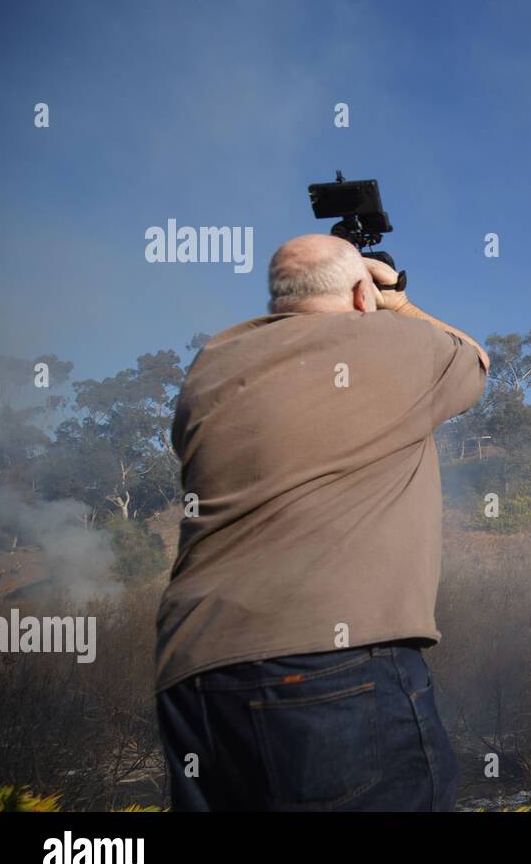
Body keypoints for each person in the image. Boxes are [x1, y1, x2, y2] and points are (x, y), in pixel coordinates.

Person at [155, 235, 490, 811]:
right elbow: (473, 360)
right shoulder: (395, 345)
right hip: (330, 664)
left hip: (194, 672)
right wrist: (396, 301)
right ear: (361, 293)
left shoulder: (211, 366)